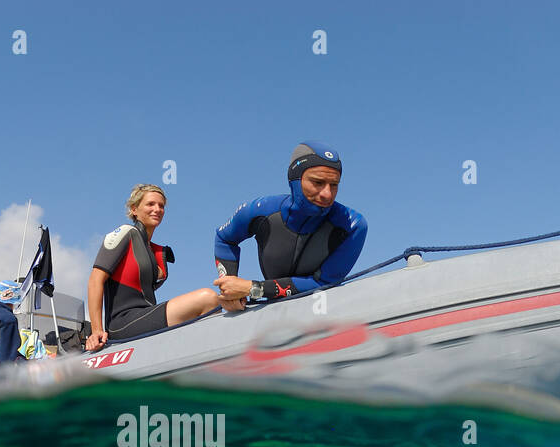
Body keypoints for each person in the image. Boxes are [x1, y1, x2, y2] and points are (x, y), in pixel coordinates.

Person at [213, 141, 368, 304]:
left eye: (334, 185)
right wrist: (228, 288)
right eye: (318, 183)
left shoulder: (352, 225)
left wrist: (253, 288)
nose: (327, 194)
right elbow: (224, 239)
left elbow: (324, 283)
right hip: (272, 309)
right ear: (295, 181)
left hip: (319, 308)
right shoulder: (260, 210)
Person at [86, 184, 230, 352]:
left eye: (161, 206)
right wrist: (96, 330)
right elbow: (95, 280)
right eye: (150, 204)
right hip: (122, 323)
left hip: (145, 315)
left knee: (217, 301)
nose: (157, 209)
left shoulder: (154, 250)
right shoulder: (125, 233)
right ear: (134, 209)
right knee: (208, 298)